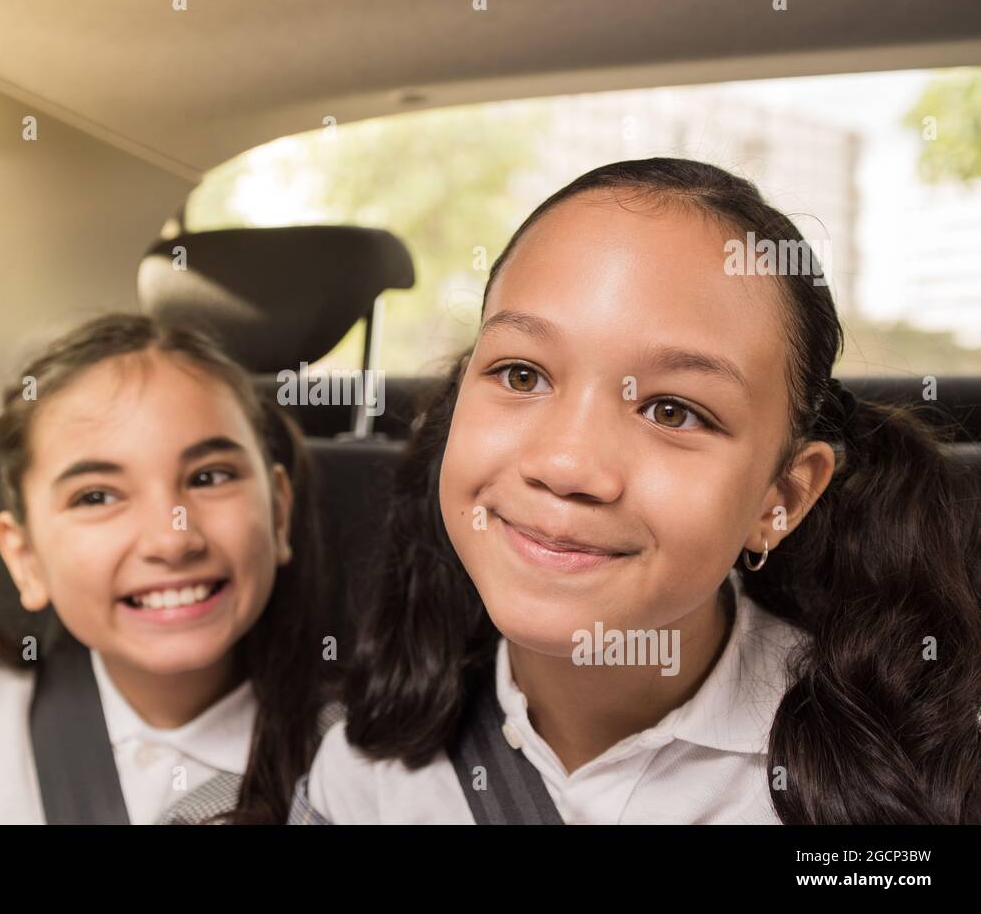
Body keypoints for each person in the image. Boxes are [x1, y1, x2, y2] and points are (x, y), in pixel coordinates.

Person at [295, 158, 980, 824]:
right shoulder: (364, 776)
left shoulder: (920, 776)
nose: (565, 465)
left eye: (673, 411)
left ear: (783, 497)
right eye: (522, 375)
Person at [0, 313, 330, 824]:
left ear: (278, 513)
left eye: (209, 477)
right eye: (96, 496)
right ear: (25, 559)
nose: (172, 539)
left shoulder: (351, 769)